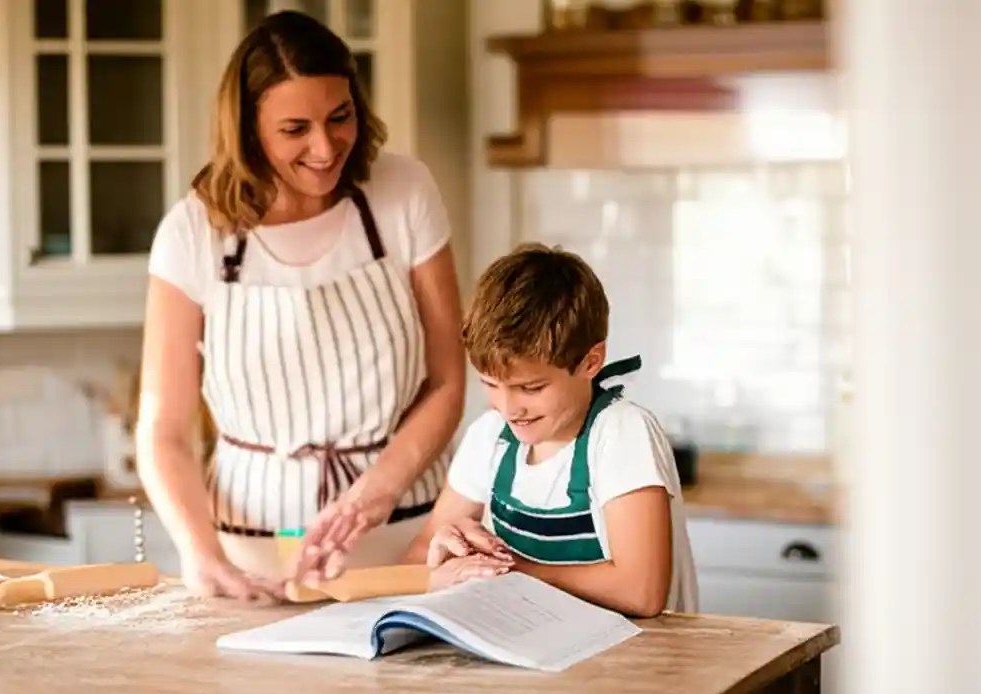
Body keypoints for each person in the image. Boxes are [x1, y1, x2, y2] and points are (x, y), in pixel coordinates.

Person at [136, 11, 465, 600]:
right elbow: (164, 430)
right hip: (252, 554)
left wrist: (374, 492)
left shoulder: (403, 193)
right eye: (295, 129)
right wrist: (199, 552)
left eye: (340, 117)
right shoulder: (193, 234)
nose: (325, 146)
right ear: (248, 128)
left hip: (406, 534)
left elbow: (447, 381)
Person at [405, 244, 699, 617]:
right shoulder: (489, 436)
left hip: (636, 664)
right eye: (491, 384)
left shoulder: (620, 433)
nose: (509, 408)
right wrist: (446, 564)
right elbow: (418, 555)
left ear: (591, 361)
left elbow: (640, 591)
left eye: (531, 388)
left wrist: (504, 570)